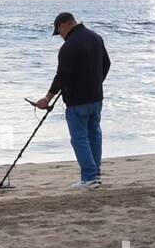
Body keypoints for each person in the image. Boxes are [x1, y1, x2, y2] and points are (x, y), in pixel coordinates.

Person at [35, 12, 111, 190]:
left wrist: (47, 98)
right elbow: (107, 64)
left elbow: (61, 76)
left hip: (77, 101)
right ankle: (96, 174)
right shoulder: (96, 37)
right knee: (94, 135)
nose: (60, 36)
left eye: (59, 32)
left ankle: (89, 178)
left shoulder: (69, 46)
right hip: (96, 98)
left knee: (79, 139)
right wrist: (95, 83)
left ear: (64, 25)